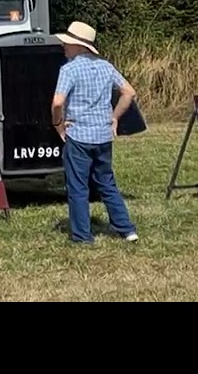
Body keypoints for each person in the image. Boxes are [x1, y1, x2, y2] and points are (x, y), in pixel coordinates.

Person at [51, 21, 139, 245]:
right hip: (102, 135)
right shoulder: (106, 67)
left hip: (78, 134)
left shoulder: (69, 69)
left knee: (78, 186)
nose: (64, 47)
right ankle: (126, 229)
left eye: (68, 44)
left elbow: (58, 102)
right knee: (106, 182)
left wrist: (58, 124)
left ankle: (82, 236)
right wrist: (115, 118)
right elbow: (129, 92)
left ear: (80, 47)